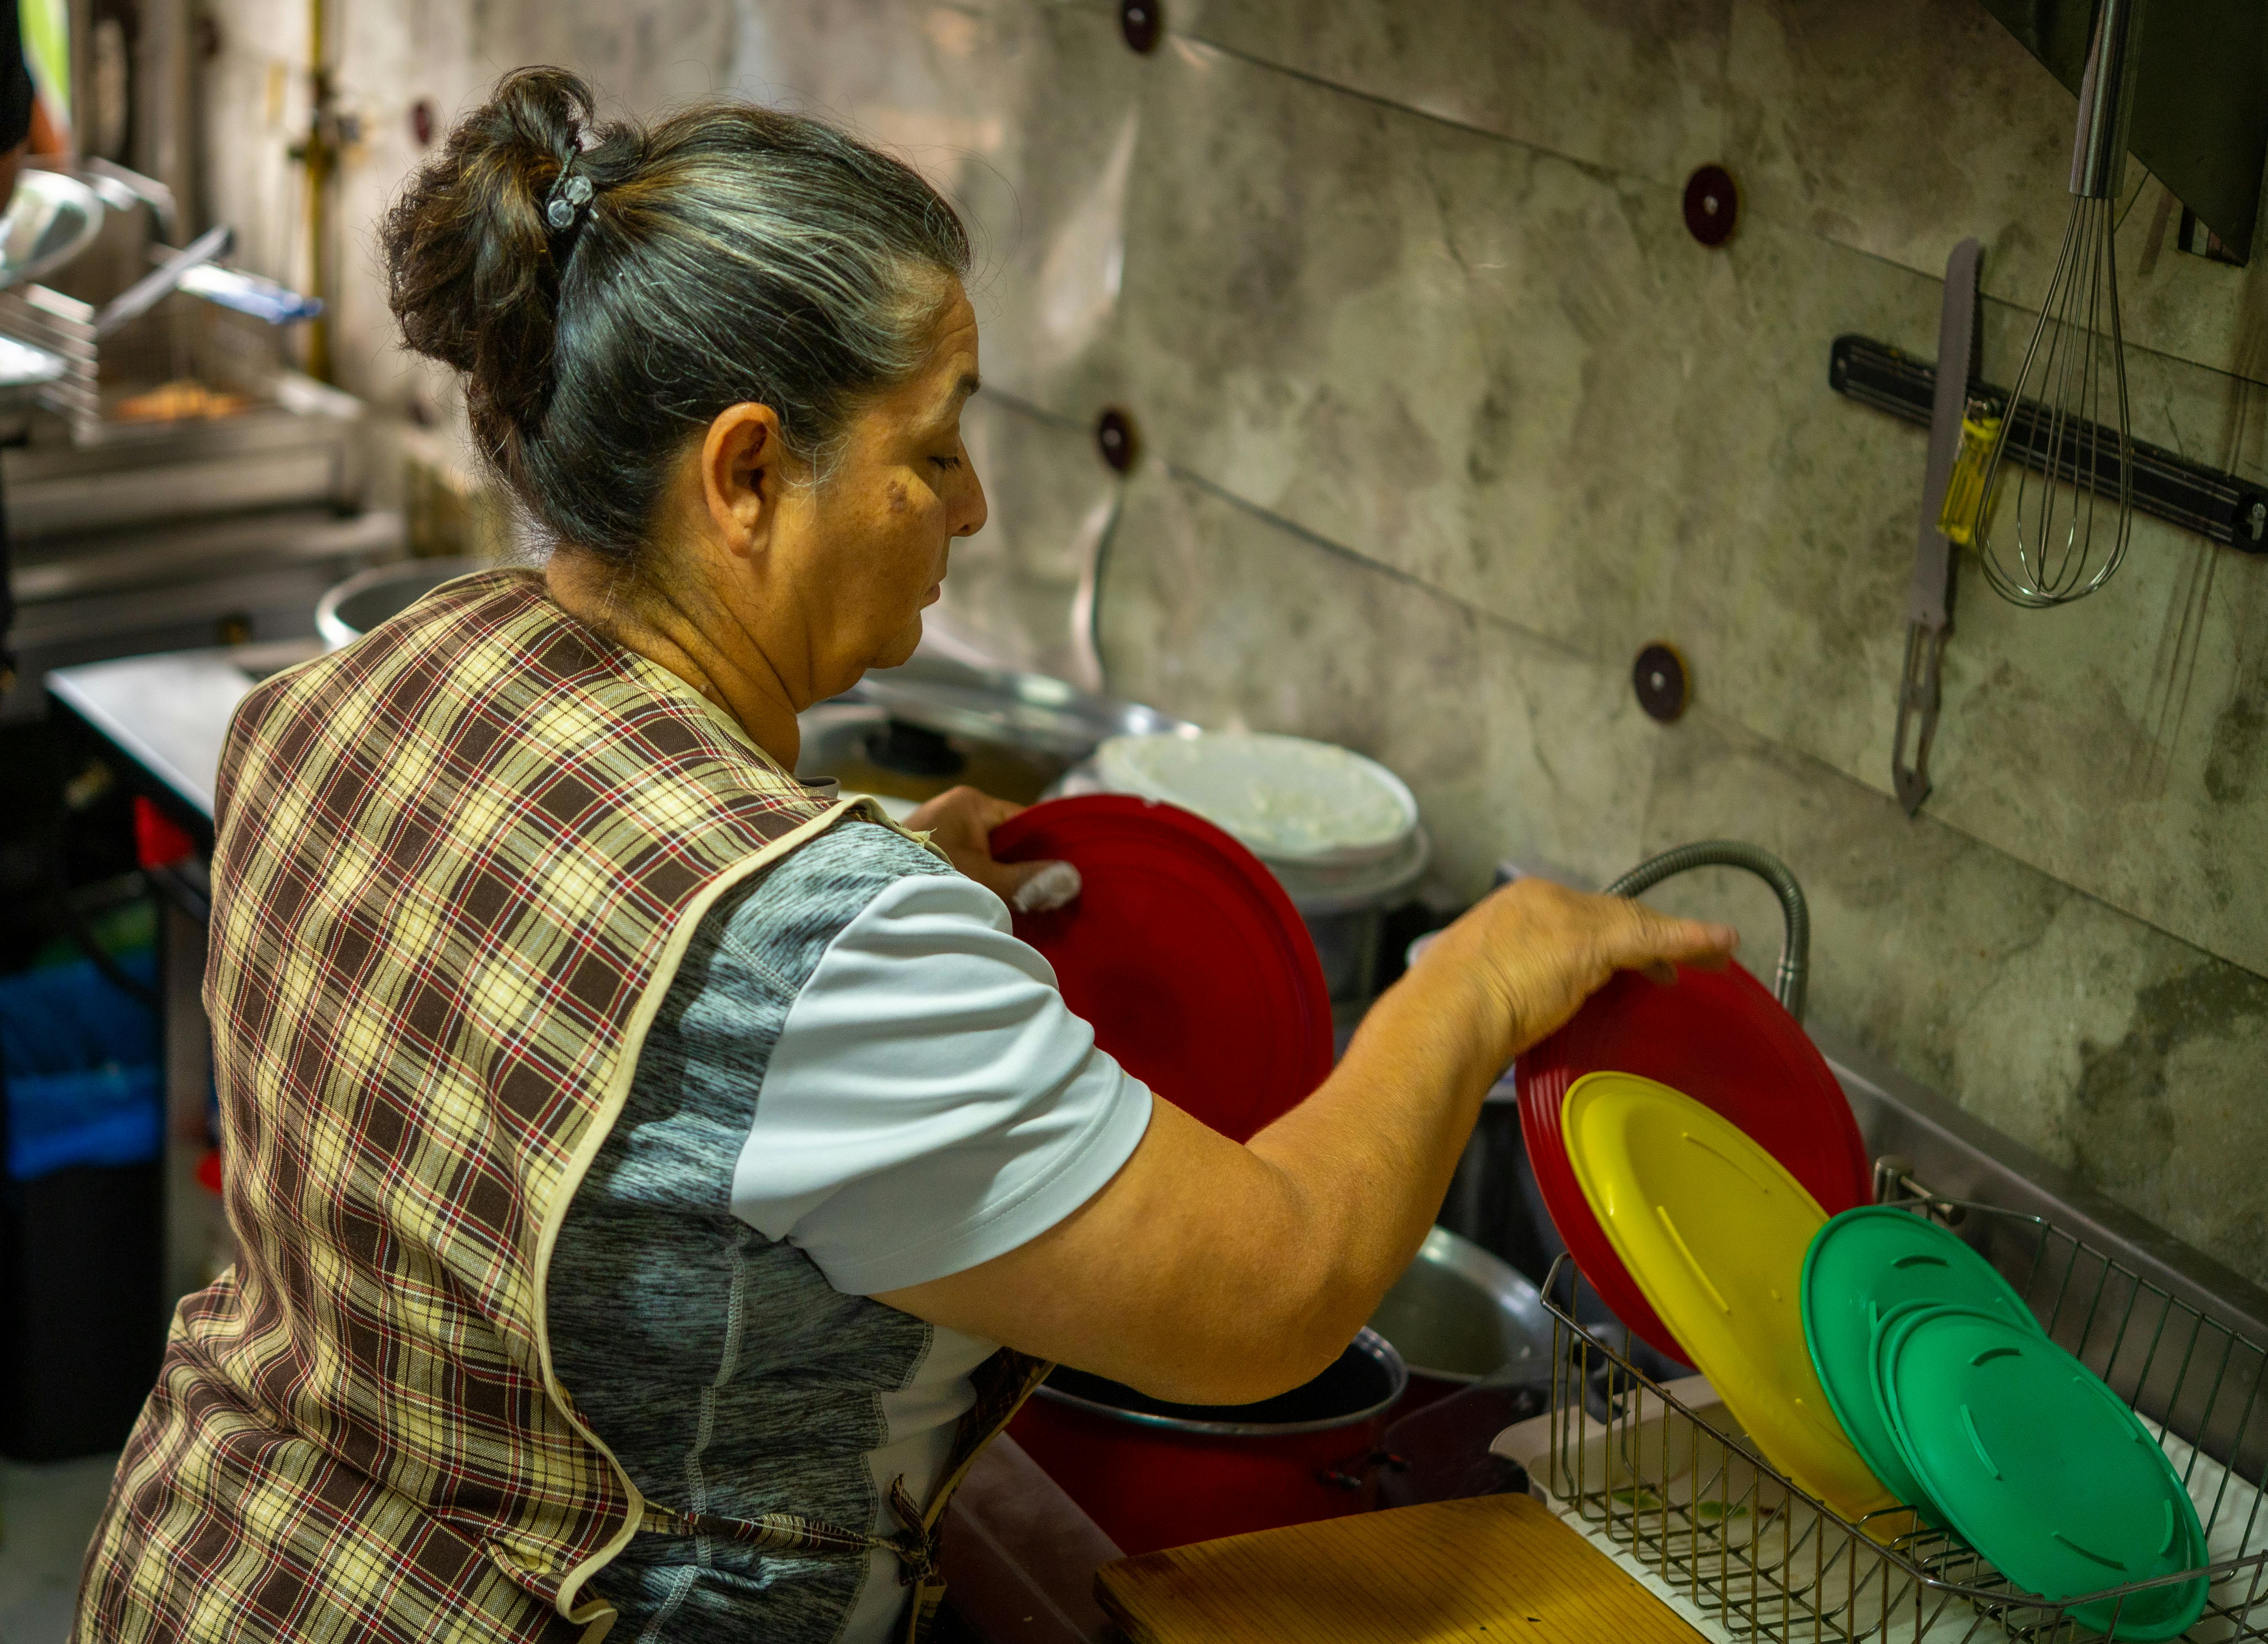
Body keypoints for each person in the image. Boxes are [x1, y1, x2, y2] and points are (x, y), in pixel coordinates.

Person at [74, 68, 1735, 1644]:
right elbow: (1277, 1294)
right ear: (744, 476)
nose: (974, 504)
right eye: (932, 447)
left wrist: (854, 855)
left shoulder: (348, 695)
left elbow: (560, 937)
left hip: (206, 1570)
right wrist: (1471, 981)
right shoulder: (830, 961)